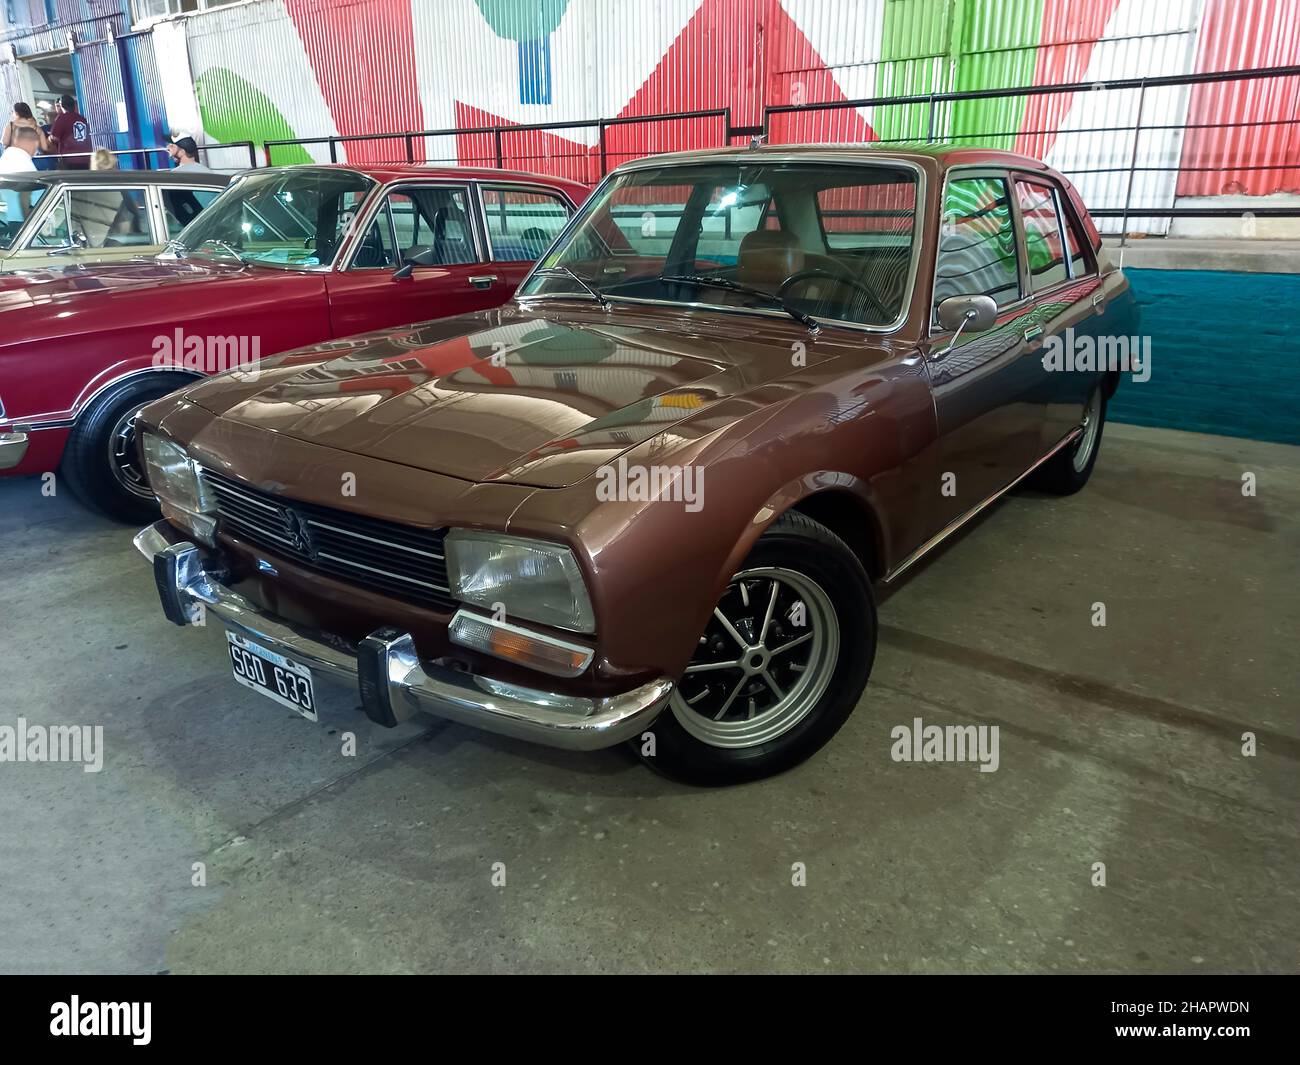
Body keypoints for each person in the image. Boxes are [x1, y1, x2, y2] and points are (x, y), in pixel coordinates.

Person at [50, 94, 91, 170]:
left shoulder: (62, 118)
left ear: (62, 106)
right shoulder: (82, 119)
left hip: (69, 159)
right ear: (74, 105)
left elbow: (54, 138)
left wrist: (49, 139)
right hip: (85, 158)